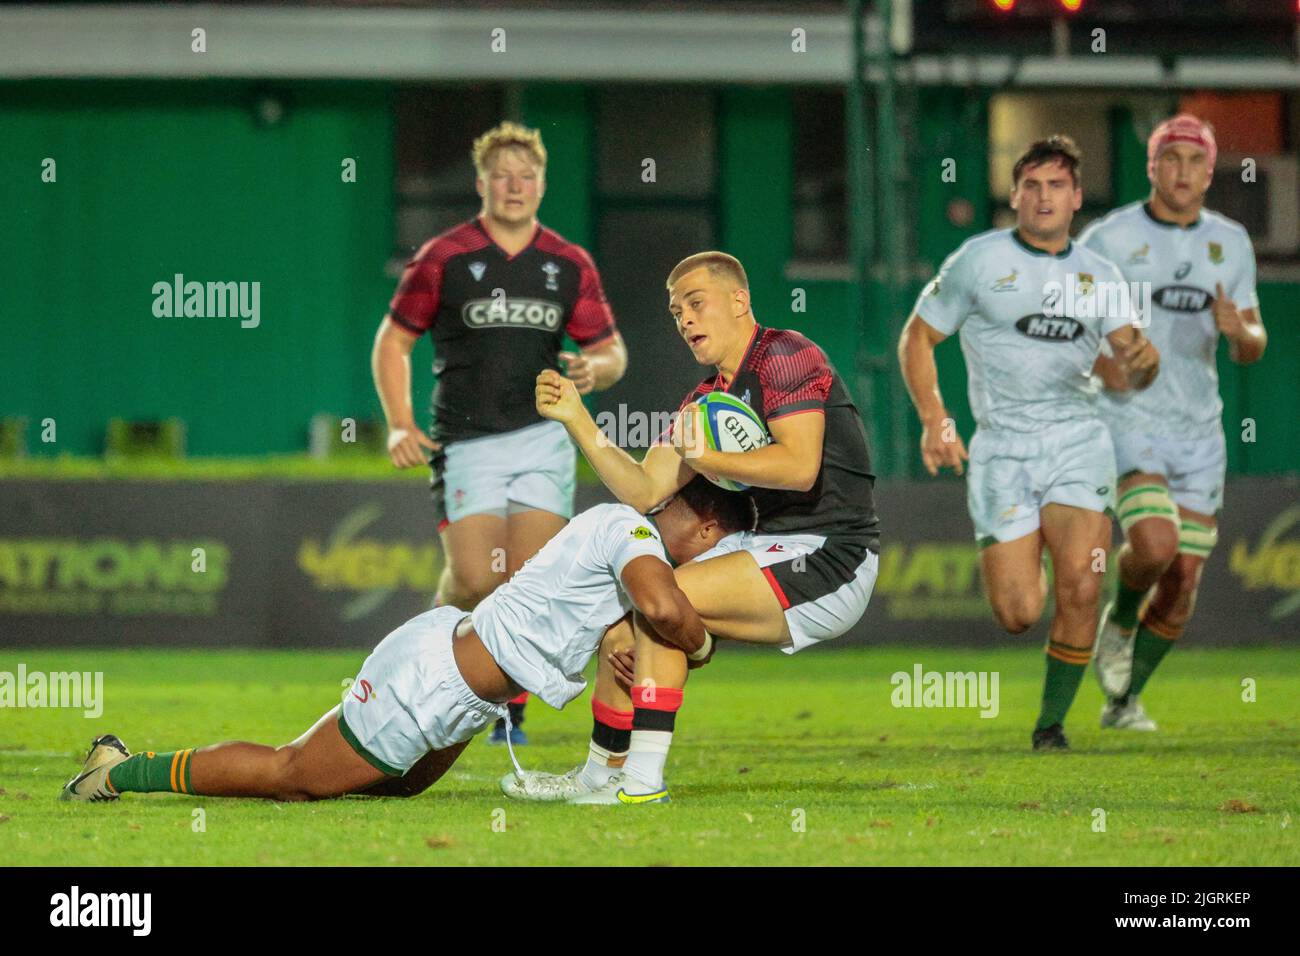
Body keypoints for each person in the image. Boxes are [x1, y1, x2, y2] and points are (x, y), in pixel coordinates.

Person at [60, 480, 752, 804]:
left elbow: (612, 604)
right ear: (712, 532)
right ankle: (118, 769)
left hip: (461, 693)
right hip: (430, 682)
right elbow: (666, 607)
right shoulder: (632, 534)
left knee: (398, 789)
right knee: (293, 777)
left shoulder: (620, 538)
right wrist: (700, 647)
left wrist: (610, 632)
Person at [511, 250, 881, 805]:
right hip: (764, 545)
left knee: (663, 600)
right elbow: (642, 489)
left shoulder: (787, 356)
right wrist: (579, 421)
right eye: (675, 310)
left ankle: (641, 783)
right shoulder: (704, 400)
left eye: (695, 303)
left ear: (739, 301)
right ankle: (598, 776)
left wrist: (707, 459)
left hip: (833, 553)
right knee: (620, 629)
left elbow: (799, 467)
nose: (683, 318)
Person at [897, 135, 1160, 751]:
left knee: (1084, 584)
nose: (1044, 197)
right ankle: (1032, 558)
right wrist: (935, 418)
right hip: (1003, 450)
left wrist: (1144, 362)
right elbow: (917, 338)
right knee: (1018, 612)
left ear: (1075, 200)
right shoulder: (977, 261)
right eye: (1032, 185)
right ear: (1014, 195)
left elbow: (1129, 370)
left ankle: (1051, 726)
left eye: (1057, 186)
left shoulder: (1101, 276)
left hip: (1078, 441)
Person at [371, 121, 627, 745]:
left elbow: (612, 350)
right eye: (502, 176)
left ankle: (505, 705)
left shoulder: (568, 264)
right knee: (476, 580)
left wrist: (596, 368)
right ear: (482, 183)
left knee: (529, 579)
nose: (515, 187)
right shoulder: (445, 256)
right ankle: (418, 678)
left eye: (527, 176)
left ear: (542, 185)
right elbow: (393, 342)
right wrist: (399, 423)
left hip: (542, 437)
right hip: (466, 439)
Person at [1080, 115, 1266, 731]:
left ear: (1210, 173)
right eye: (1172, 159)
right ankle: (1122, 619)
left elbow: (1251, 343)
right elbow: (1074, 329)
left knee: (1184, 580)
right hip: (1129, 416)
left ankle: (1124, 700)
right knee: (1155, 546)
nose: (1183, 172)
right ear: (1151, 167)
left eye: (1195, 161)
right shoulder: (1110, 238)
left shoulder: (1231, 242)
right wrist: (1105, 367)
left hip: (1199, 427)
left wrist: (1244, 334)